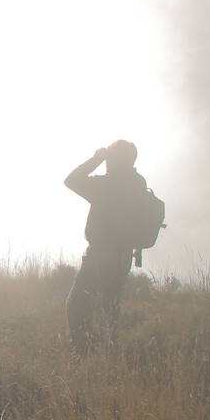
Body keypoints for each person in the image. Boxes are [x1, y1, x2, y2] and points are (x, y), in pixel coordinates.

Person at [63, 140, 147, 356]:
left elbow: (71, 180)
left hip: (100, 256)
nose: (108, 160)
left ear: (118, 158)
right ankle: (110, 351)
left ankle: (84, 353)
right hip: (124, 257)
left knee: (77, 306)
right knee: (109, 308)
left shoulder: (107, 184)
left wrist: (96, 159)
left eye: (111, 156)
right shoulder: (138, 183)